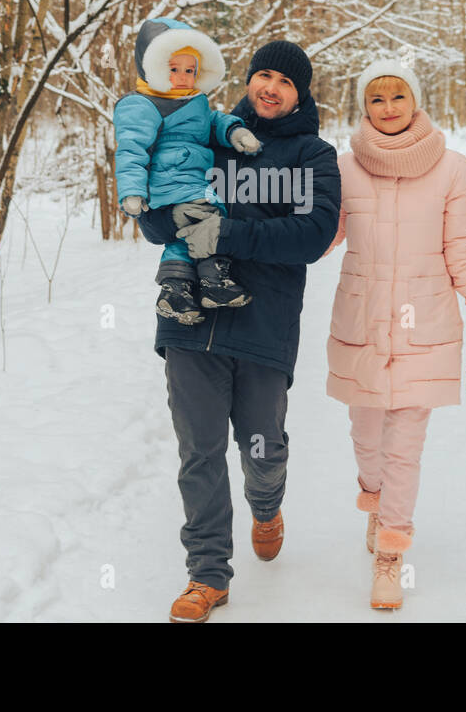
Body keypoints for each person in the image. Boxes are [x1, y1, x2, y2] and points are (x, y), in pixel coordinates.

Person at [324, 57, 466, 610]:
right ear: (363, 107)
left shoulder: (452, 168)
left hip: (425, 322)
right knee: (366, 436)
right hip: (361, 321)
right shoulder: (344, 168)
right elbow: (321, 239)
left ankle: (390, 555)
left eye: (398, 96)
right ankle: (373, 504)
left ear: (415, 101)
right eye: (376, 99)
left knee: (405, 446)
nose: (389, 107)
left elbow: (464, 254)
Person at [136, 39, 341, 622]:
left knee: (262, 446)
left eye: (284, 80)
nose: (269, 87)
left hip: (262, 325)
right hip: (187, 319)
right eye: (262, 75)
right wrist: (163, 208)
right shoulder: (204, 133)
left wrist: (224, 235)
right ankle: (207, 575)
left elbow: (312, 236)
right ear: (249, 80)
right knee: (198, 452)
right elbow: (155, 219)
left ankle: (267, 503)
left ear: (300, 93)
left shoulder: (312, 156)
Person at [114, 18, 263, 323]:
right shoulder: (140, 104)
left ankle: (176, 289)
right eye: (174, 69)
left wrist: (234, 131)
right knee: (207, 218)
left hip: (190, 181)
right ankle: (213, 280)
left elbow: (212, 122)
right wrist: (131, 191)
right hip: (168, 182)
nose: (183, 77)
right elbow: (131, 150)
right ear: (153, 67)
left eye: (190, 70)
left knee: (184, 235)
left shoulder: (194, 101)